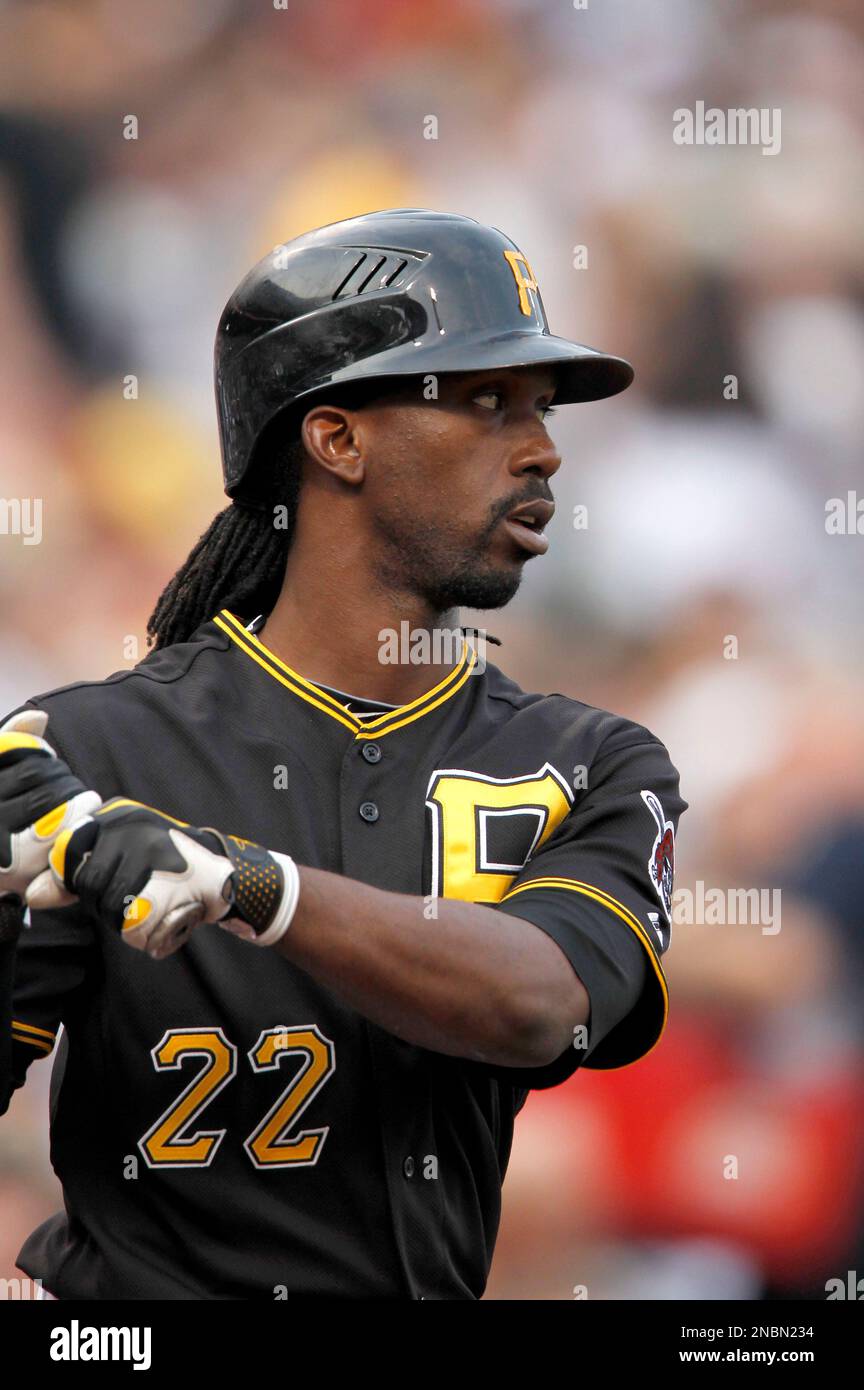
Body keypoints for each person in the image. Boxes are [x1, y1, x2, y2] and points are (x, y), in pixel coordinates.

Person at [0, 209, 686, 1300]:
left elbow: (539, 1005)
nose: (543, 446)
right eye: (485, 400)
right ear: (339, 439)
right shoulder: (87, 749)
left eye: (541, 407)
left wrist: (247, 886)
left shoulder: (592, 760)